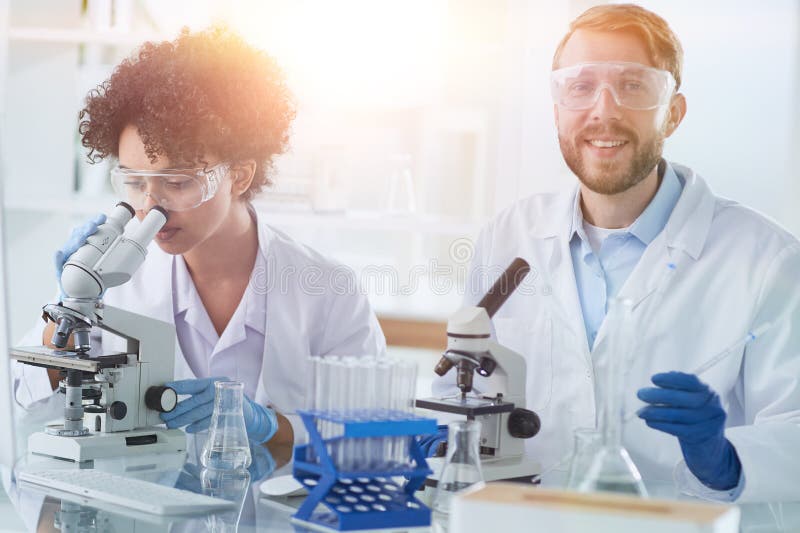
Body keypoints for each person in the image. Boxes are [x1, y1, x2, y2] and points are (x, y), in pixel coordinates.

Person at [430, 4, 800, 502]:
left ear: (673, 112)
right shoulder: (509, 235)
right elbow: (463, 380)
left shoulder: (767, 259)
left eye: (632, 85)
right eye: (580, 87)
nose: (604, 110)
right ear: (557, 109)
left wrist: (725, 457)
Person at [13, 26, 385, 448]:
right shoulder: (117, 281)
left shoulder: (329, 291)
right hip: (148, 506)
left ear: (239, 175)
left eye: (177, 180)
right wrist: (69, 309)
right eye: (134, 181)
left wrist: (272, 427)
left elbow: (370, 432)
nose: (150, 206)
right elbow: (25, 404)